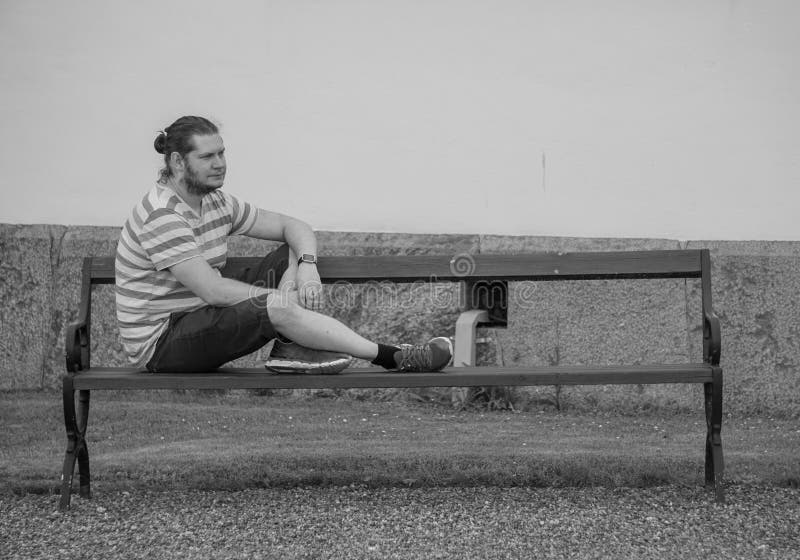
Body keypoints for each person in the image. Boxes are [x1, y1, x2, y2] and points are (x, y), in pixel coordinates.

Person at [115, 115, 453, 374]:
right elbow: (214, 292)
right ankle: (394, 356)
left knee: (287, 250)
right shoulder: (163, 214)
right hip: (163, 343)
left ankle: (290, 348)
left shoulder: (216, 202)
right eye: (207, 157)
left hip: (200, 318)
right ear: (177, 162)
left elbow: (294, 226)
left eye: (222, 153)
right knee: (274, 306)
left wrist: (306, 266)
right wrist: (280, 301)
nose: (220, 163)